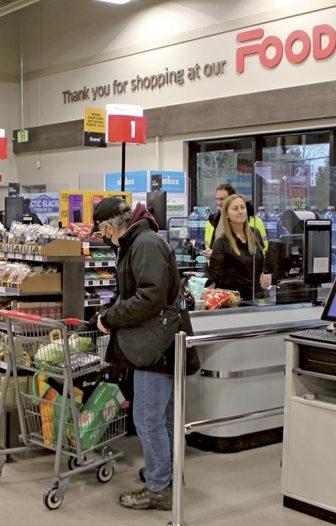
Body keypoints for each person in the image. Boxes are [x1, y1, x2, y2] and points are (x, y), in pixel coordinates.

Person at [91, 197, 198, 511]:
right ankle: (164, 473)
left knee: (148, 419)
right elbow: (140, 293)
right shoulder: (139, 241)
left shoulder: (144, 244)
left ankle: (159, 487)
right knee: (163, 418)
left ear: (111, 225)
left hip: (155, 344)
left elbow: (149, 297)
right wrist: (111, 311)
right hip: (160, 340)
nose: (102, 236)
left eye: (101, 230)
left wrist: (111, 317)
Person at [204, 194, 272, 301]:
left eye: (242, 207)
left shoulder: (255, 233)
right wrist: (194, 284)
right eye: (235, 209)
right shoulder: (221, 242)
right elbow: (213, 273)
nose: (240, 211)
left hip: (257, 298)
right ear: (226, 215)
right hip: (234, 302)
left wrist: (267, 271)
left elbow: (264, 258)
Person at [202, 183, 267, 257]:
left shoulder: (254, 222)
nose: (219, 203)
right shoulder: (212, 221)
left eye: (222, 199)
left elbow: (262, 251)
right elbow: (210, 247)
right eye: (217, 199)